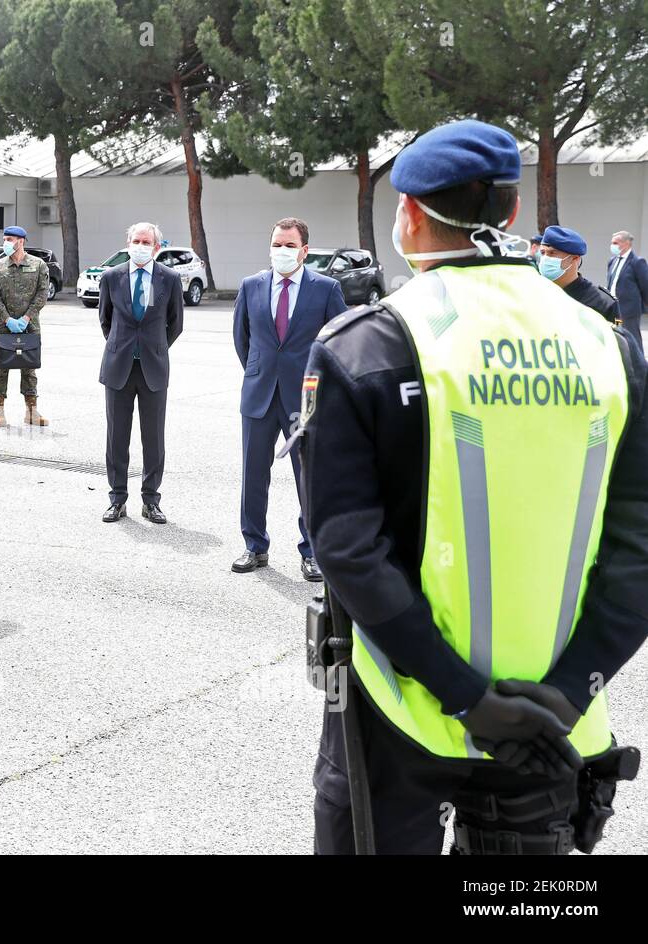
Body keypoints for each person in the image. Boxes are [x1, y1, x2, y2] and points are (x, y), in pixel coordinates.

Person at [303, 120, 648, 854]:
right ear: (513, 214)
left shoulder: (369, 344)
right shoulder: (607, 346)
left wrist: (467, 699)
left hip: (404, 717)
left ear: (410, 216)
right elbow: (637, 545)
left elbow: (348, 548)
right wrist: (568, 690)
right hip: (555, 724)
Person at [231, 218, 346, 581]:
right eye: (277, 244)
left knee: (309, 480)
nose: (282, 251)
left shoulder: (326, 289)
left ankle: (312, 551)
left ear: (304, 251)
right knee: (253, 475)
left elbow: (338, 343)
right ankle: (254, 545)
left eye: (289, 245)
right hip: (259, 394)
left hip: (307, 400)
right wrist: (259, 371)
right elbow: (243, 340)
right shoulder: (251, 286)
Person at [98, 222, 184, 525]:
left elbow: (175, 324)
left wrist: (154, 348)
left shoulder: (170, 279)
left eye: (147, 241)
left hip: (153, 368)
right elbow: (105, 321)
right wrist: (124, 346)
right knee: (116, 437)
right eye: (136, 240)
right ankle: (117, 499)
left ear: (156, 247)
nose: (141, 245)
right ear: (128, 243)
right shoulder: (111, 277)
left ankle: (151, 500)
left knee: (153, 438)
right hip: (118, 367)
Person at [0, 225, 50, 427]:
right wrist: (7, 318)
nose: (6, 242)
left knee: (29, 368)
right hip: (5, 326)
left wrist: (27, 318)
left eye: (10, 239)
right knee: (0, 368)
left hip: (30, 326)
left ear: (21, 241)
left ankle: (31, 411)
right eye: (5, 238)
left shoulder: (38, 265)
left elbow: (42, 294)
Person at [537, 226, 619, 323]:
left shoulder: (603, 303)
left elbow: (619, 335)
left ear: (575, 259)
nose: (545, 258)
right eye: (542, 253)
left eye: (552, 253)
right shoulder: (534, 294)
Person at [607, 231, 648, 352]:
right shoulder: (612, 261)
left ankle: (639, 367)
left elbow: (645, 285)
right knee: (617, 336)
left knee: (632, 338)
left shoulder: (637, 262)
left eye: (615, 243)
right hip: (614, 308)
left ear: (626, 244)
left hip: (629, 310)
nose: (612, 245)